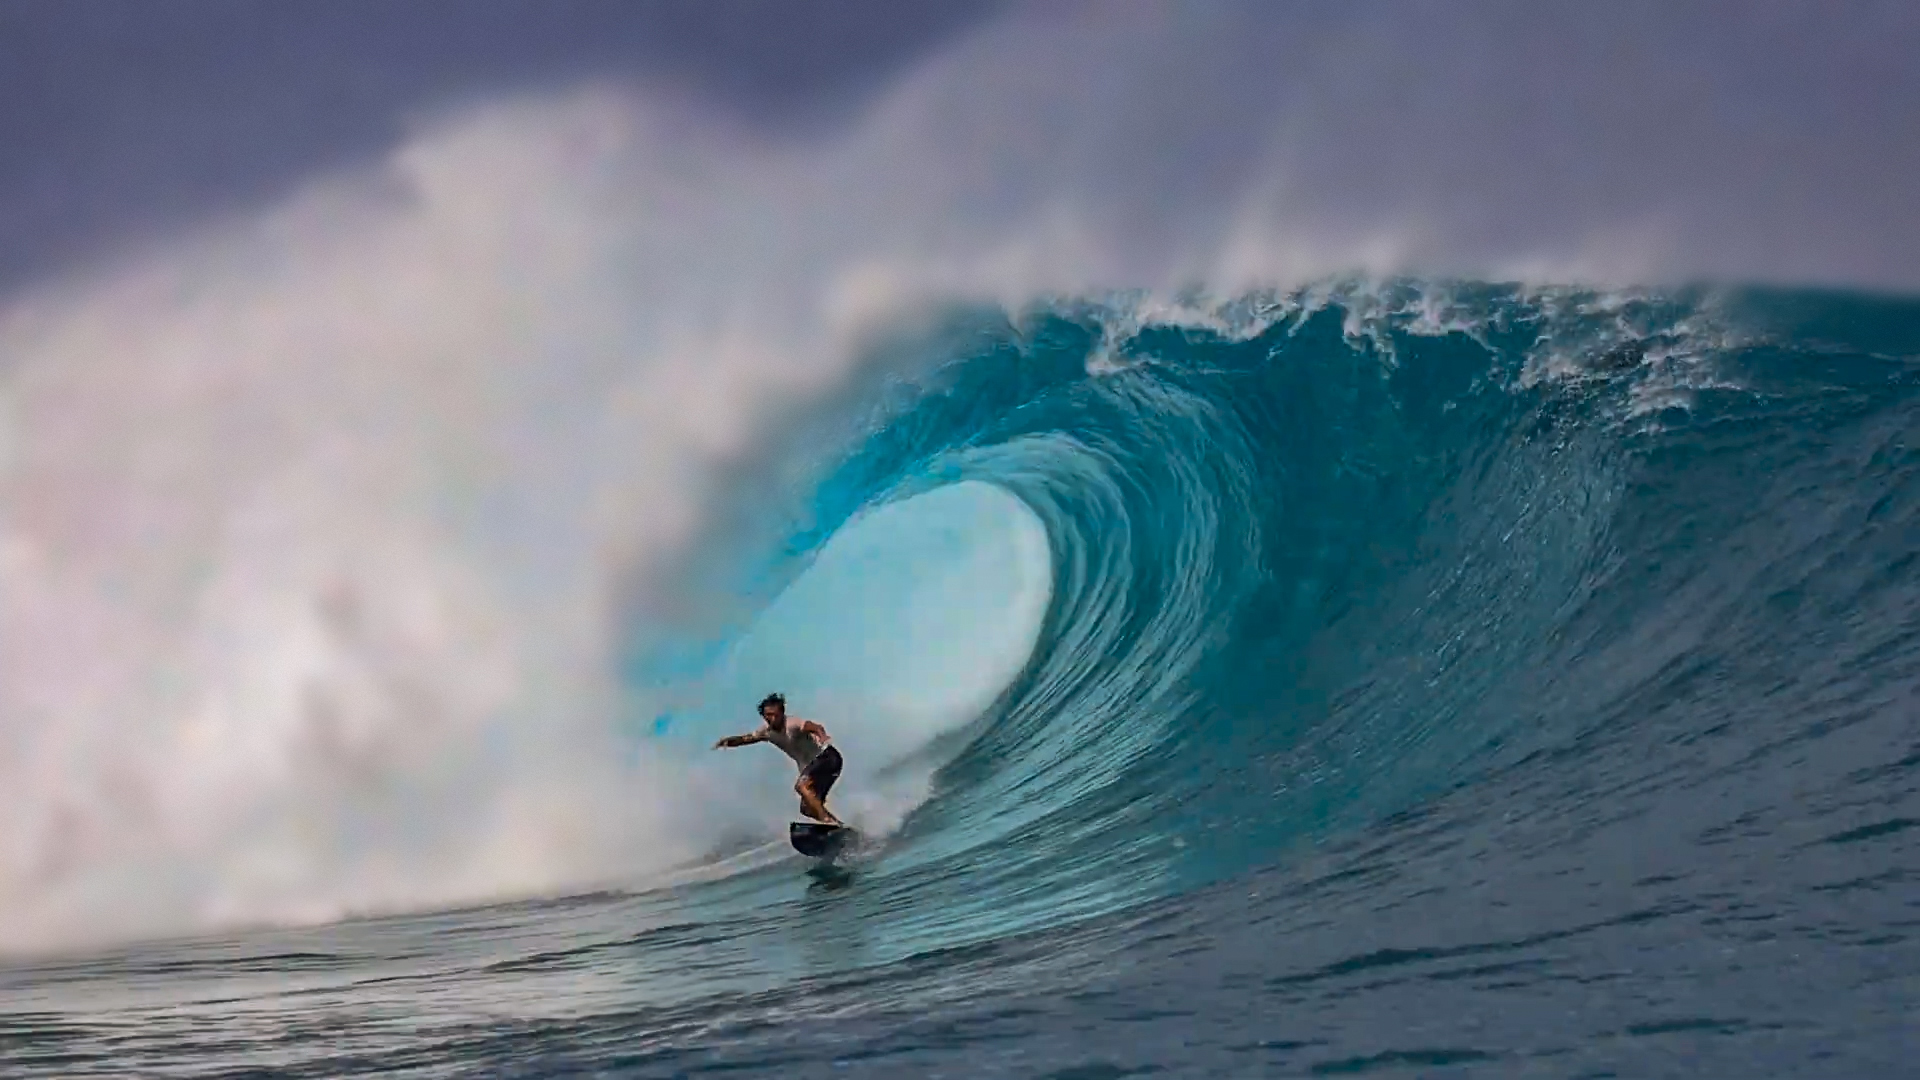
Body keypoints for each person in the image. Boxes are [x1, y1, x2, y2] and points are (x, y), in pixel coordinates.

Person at [713, 693, 845, 826]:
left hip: (827, 758)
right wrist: (728, 742)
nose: (772, 718)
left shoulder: (792, 724)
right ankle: (837, 826)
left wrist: (822, 736)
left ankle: (828, 822)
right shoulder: (766, 732)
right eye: (768, 715)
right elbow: (746, 739)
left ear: (782, 713)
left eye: (775, 714)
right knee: (807, 809)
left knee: (801, 786)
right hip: (814, 766)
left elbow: (815, 727)